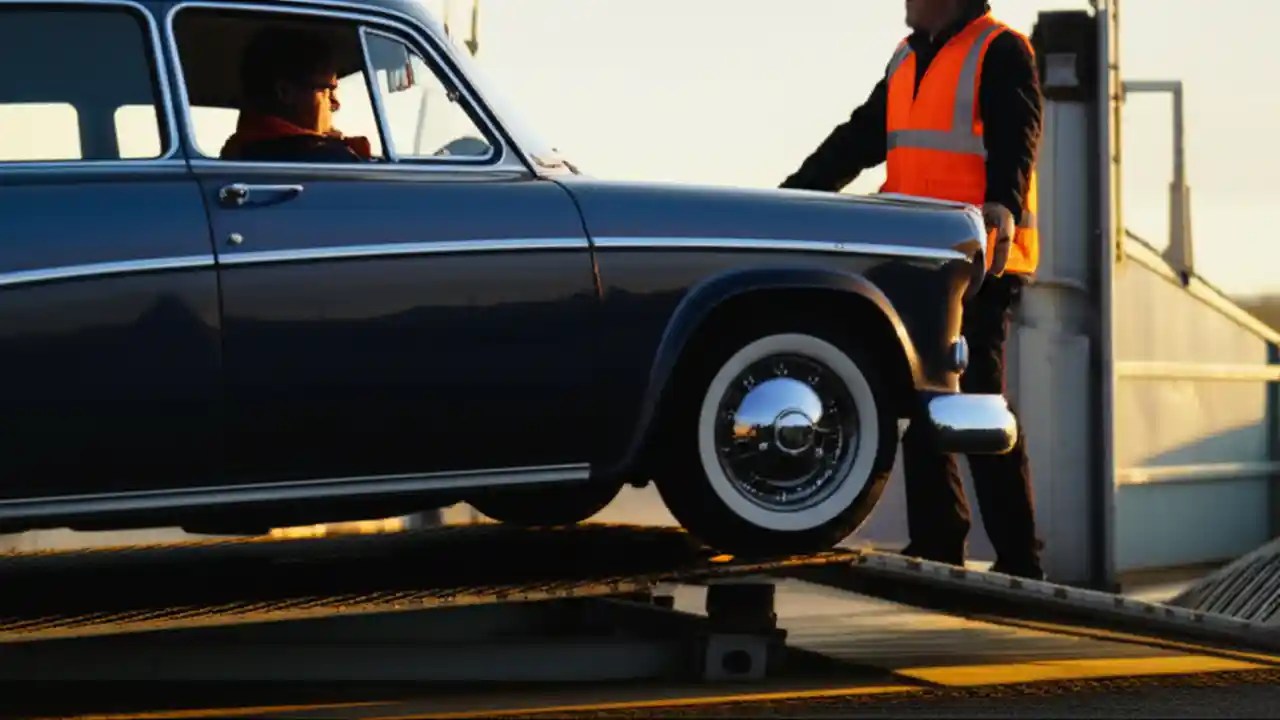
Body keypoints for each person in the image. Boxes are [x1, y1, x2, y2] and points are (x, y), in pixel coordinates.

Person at [781, 0, 1046, 579]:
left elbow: (1017, 136)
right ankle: (939, 539)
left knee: (975, 396)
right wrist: (795, 195)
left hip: (980, 257)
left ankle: (1021, 558)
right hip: (919, 259)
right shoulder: (907, 59)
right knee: (920, 389)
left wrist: (1003, 201)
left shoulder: (999, 49)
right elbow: (859, 138)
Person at [220, 26, 373, 162]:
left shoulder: (240, 149)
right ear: (286, 92)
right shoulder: (324, 157)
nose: (335, 104)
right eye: (327, 90)